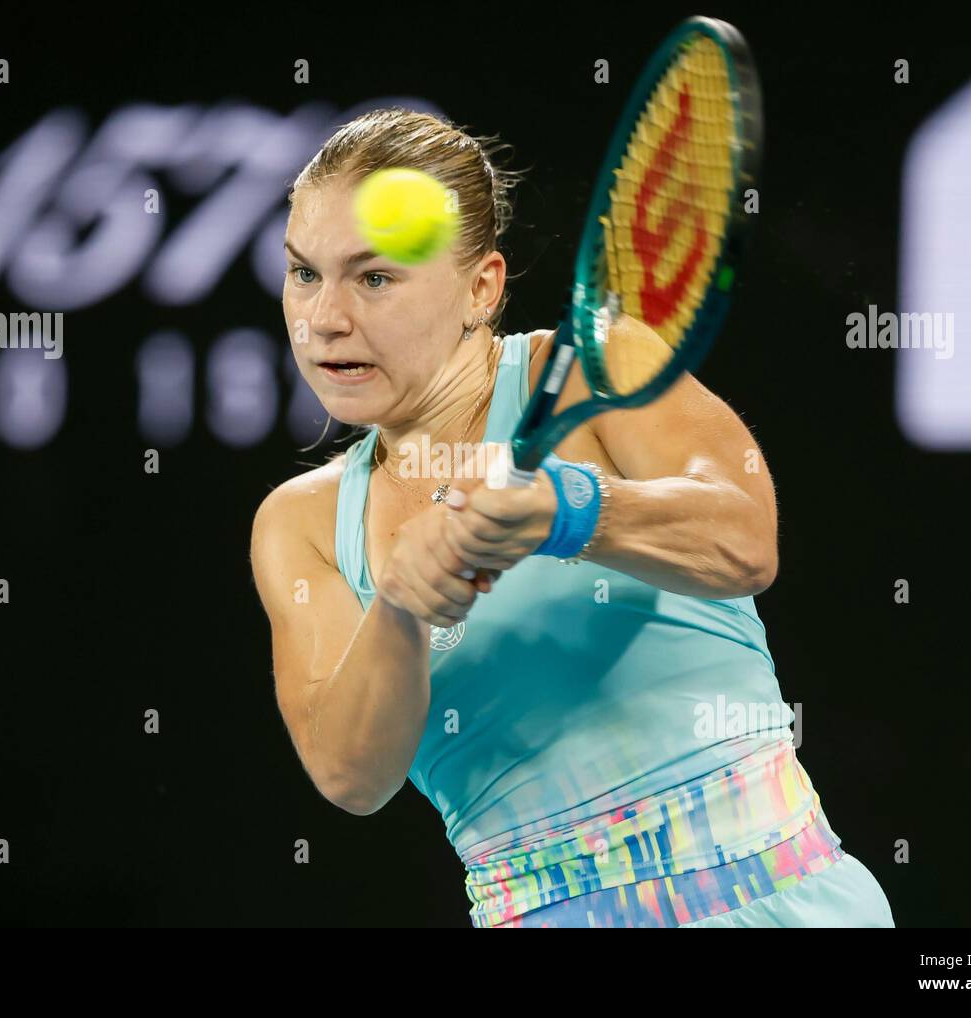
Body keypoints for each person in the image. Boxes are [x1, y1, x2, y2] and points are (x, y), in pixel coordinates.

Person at [250, 108, 894, 928]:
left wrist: (568, 507)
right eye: (304, 273)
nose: (323, 318)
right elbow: (350, 777)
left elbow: (744, 541)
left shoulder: (598, 365)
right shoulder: (300, 523)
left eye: (374, 278)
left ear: (481, 288)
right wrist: (401, 605)